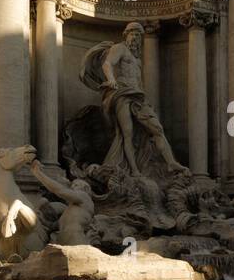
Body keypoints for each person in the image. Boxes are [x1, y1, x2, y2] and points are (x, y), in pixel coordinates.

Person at [80, 22, 188, 176]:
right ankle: (134, 170)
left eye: (139, 35)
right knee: (127, 133)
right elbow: (107, 64)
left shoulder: (137, 58)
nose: (136, 38)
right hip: (122, 92)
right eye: (133, 34)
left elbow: (138, 80)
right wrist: (111, 80)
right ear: (126, 34)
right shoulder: (119, 48)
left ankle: (171, 162)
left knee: (157, 128)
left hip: (138, 95)